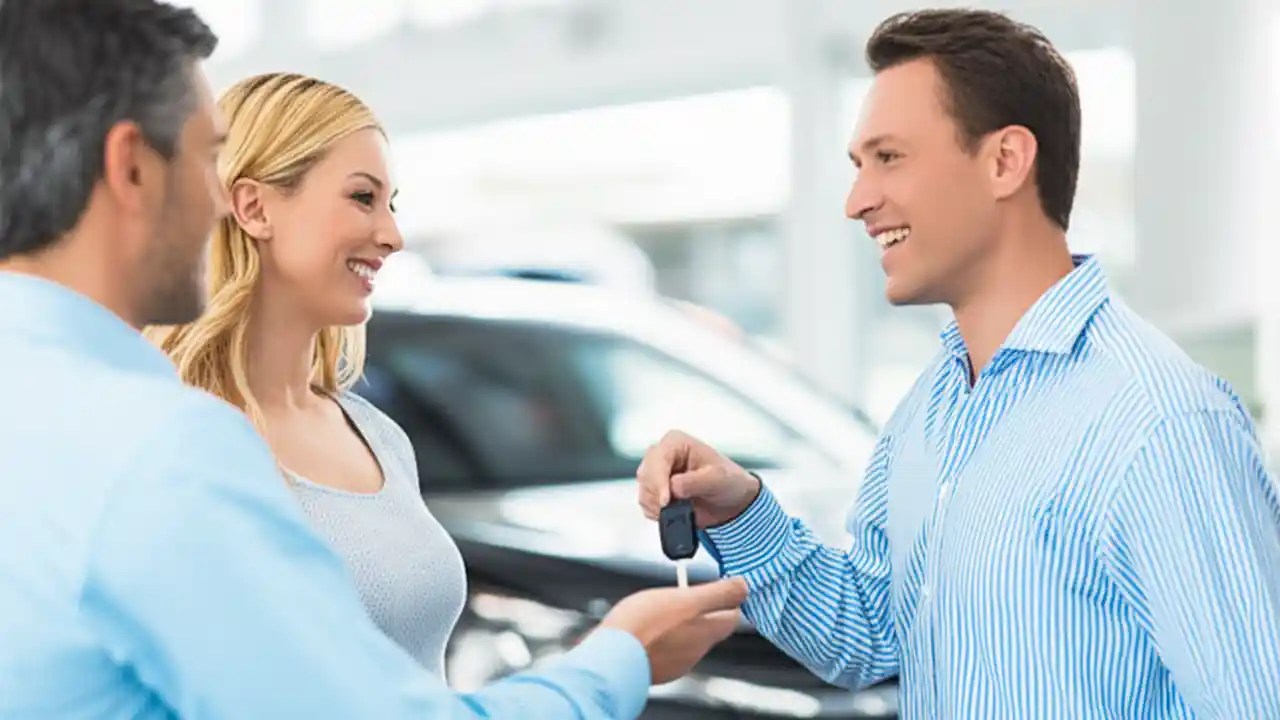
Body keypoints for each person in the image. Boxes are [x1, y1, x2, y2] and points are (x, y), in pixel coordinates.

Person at [0, 1, 745, 718]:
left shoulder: (50, 413)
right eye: (205, 161)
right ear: (133, 167)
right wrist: (620, 658)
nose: (217, 202)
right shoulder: (165, 448)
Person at [637, 8, 1280, 719]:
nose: (857, 202)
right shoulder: (932, 408)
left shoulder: (1161, 423)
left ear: (1004, 161)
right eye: (858, 166)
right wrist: (741, 512)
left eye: (889, 157)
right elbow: (869, 633)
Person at [144, 71, 468, 677]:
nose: (393, 236)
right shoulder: (168, 445)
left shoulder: (380, 437)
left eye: (391, 204)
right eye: (363, 197)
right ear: (253, 207)